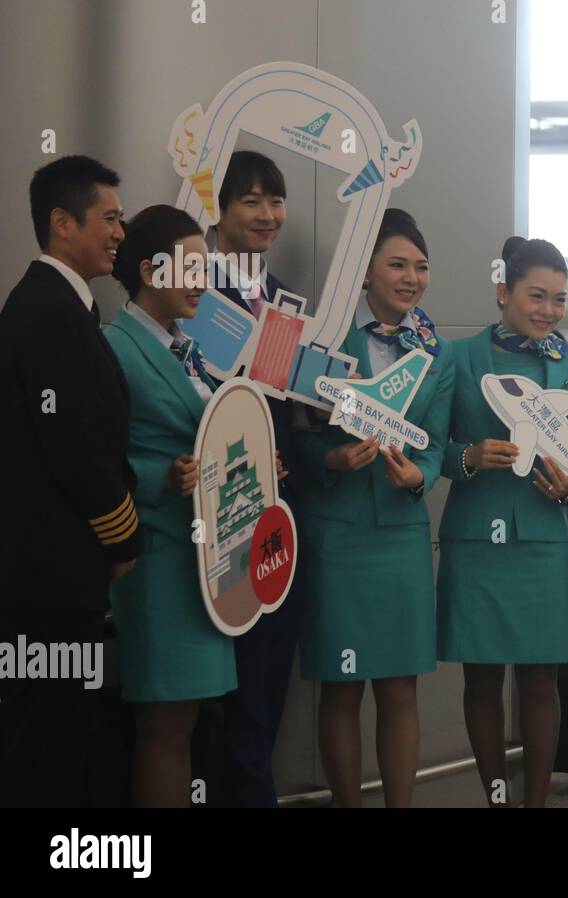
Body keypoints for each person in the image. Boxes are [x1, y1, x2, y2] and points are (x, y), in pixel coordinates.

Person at [292, 209, 446, 807]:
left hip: (402, 533)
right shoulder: (322, 337)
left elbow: (433, 441)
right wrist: (330, 461)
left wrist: (419, 477)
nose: (411, 278)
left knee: (400, 687)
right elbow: (294, 433)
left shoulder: (436, 350)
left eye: (421, 267)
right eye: (398, 264)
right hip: (337, 532)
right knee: (342, 686)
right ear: (364, 270)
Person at [0, 155, 141, 807]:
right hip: (49, 585)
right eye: (108, 218)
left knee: (61, 744)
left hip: (53, 582)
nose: (120, 231)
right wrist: (123, 541)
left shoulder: (58, 306)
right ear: (63, 223)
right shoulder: (51, 312)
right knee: (46, 751)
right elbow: (76, 453)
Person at [104, 205, 250, 807]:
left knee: (187, 719)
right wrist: (158, 476)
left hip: (206, 559)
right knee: (164, 725)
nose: (201, 280)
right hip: (158, 556)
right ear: (148, 270)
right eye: (189, 267)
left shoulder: (189, 349)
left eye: (205, 267)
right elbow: (92, 457)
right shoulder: (114, 346)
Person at [434, 236, 568, 807]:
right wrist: (468, 457)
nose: (549, 310)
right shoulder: (459, 358)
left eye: (559, 300)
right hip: (477, 540)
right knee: (481, 680)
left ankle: (536, 802)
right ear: (504, 292)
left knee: (541, 680)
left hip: (543, 538)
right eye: (537, 296)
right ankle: (497, 797)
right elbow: (430, 444)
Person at [208, 149, 304, 806]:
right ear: (217, 212)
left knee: (269, 678)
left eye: (275, 201)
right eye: (250, 201)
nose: (268, 215)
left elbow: (280, 401)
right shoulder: (191, 288)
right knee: (226, 690)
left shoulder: (283, 302)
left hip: (279, 512)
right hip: (215, 512)